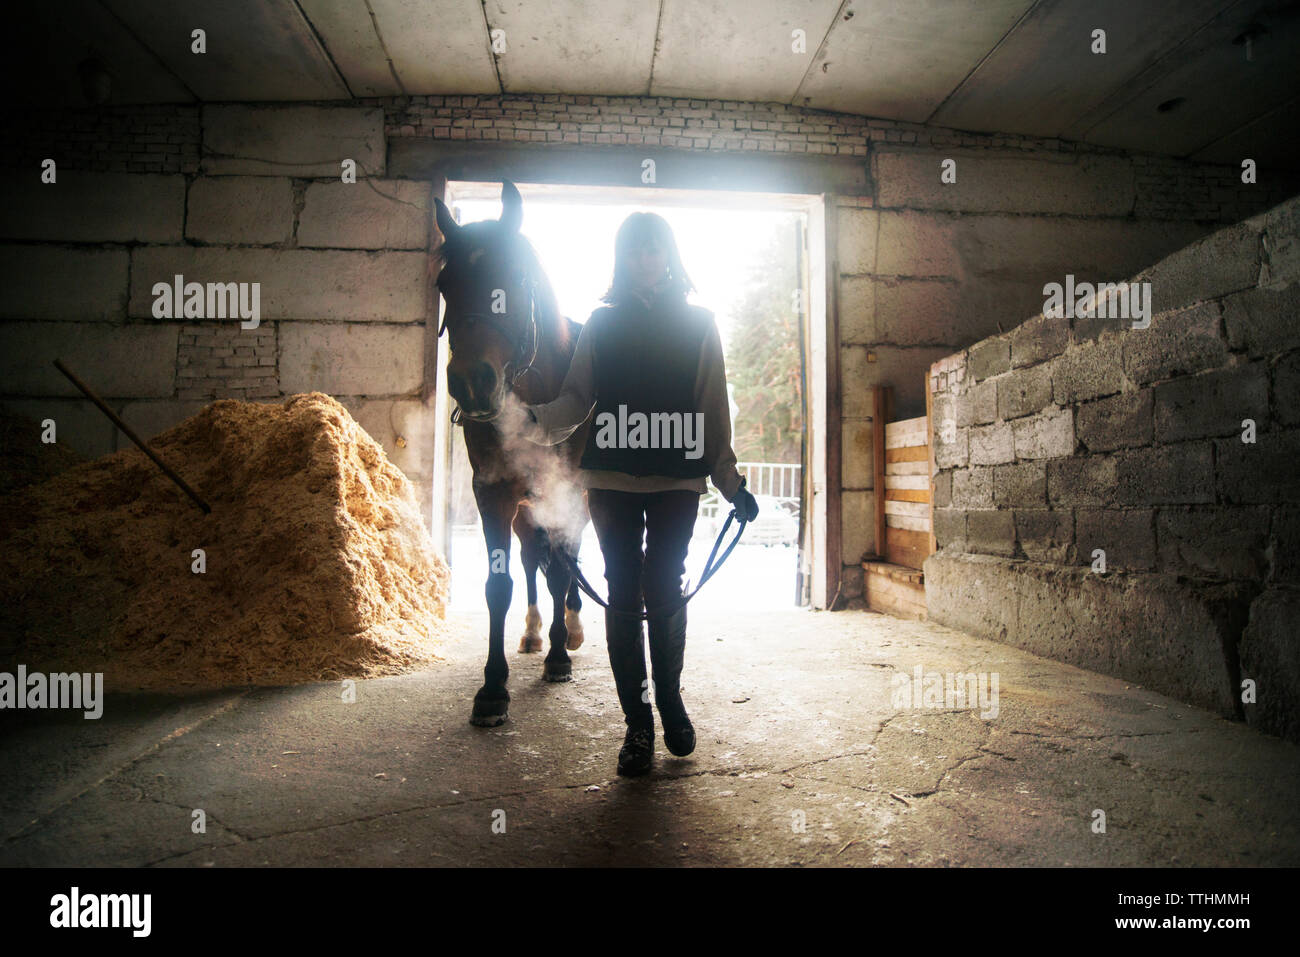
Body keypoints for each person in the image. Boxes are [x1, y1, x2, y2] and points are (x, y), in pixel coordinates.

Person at [523, 212, 759, 776]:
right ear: (622, 260)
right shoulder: (601, 326)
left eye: (654, 250)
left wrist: (730, 482)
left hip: (678, 477)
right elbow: (577, 399)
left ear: (670, 256)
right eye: (635, 251)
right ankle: (638, 722)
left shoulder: (700, 323)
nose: (645, 260)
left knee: (664, 583)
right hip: (612, 479)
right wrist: (528, 418)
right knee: (624, 588)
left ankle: (670, 697)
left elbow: (712, 409)